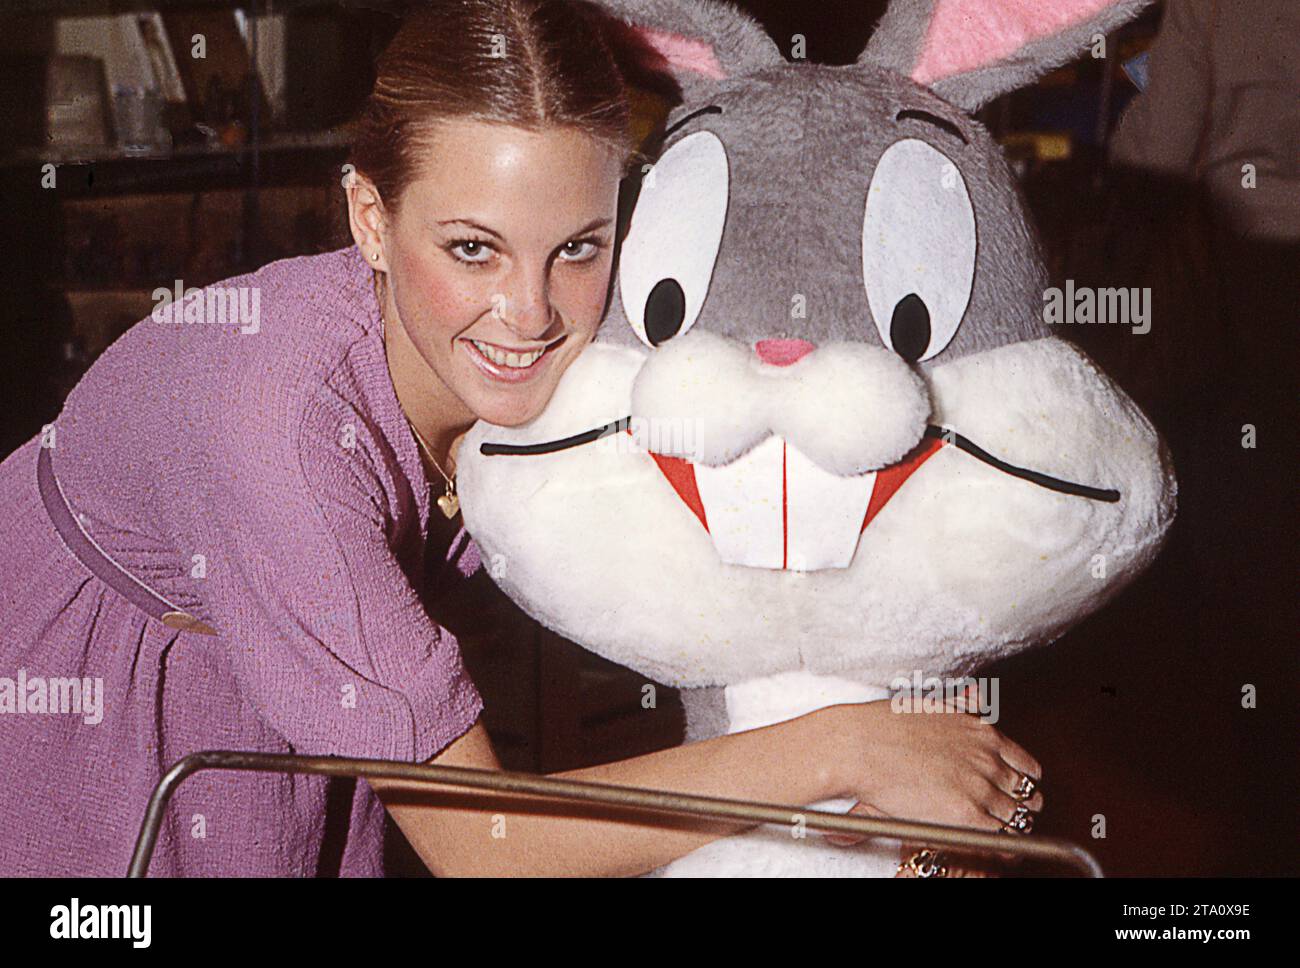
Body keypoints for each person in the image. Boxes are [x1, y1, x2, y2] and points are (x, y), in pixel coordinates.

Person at [0, 0, 1041, 877]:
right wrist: (842, 744)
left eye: (578, 247)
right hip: (80, 733)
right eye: (471, 249)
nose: (529, 313)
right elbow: (478, 835)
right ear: (369, 217)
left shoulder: (551, 348)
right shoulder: (274, 420)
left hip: (282, 733)